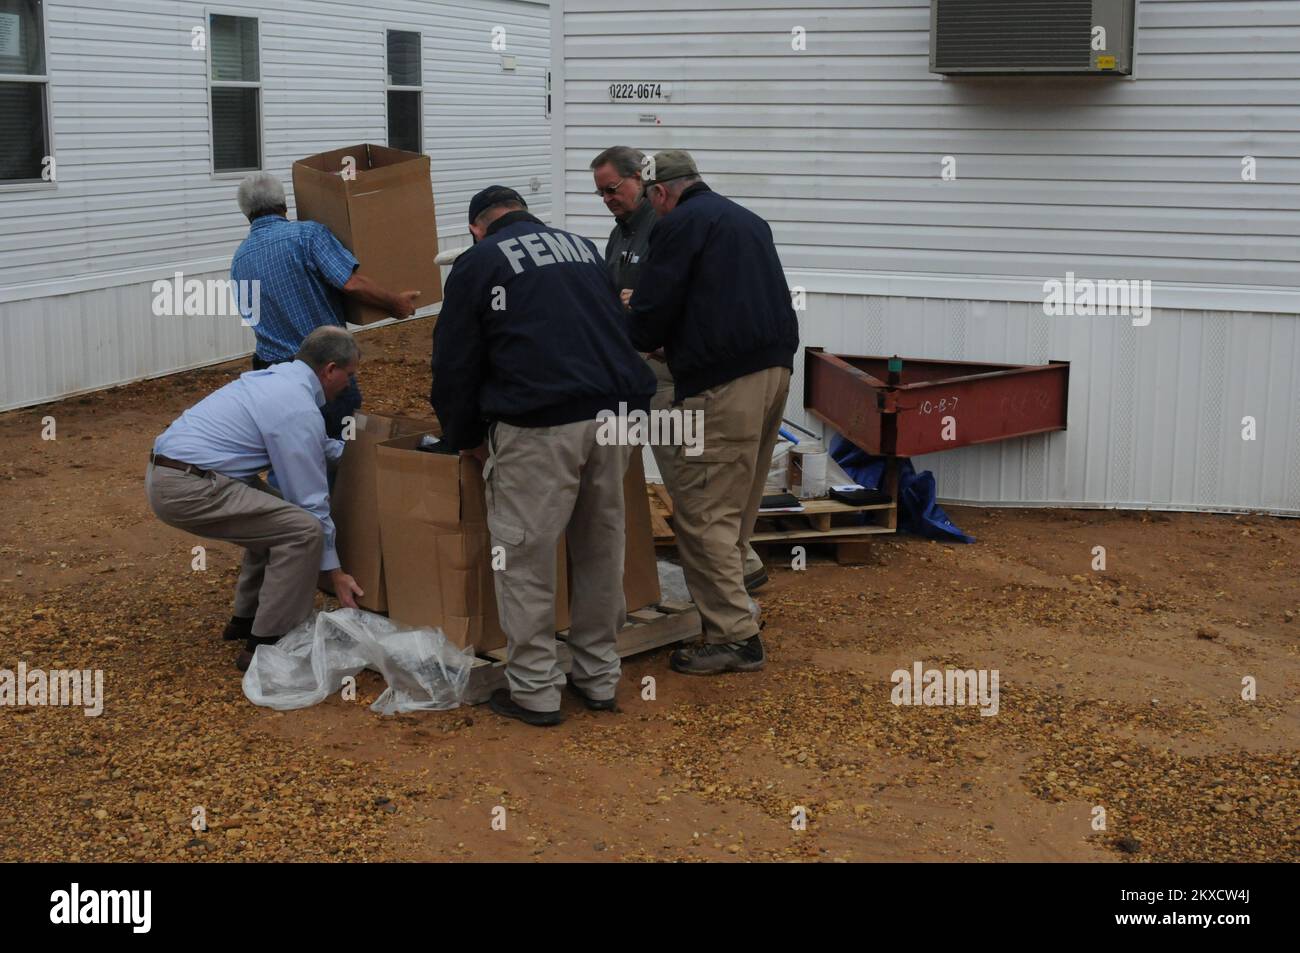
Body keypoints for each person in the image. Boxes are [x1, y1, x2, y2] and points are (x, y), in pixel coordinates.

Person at [431, 186, 657, 726]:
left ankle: (535, 691)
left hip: (539, 424)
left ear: (476, 227)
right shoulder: (582, 247)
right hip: (613, 416)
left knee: (525, 558)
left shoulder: (478, 262)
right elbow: (621, 329)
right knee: (601, 549)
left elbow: (455, 360)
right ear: (526, 214)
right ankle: (599, 678)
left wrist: (461, 433)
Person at [626, 150, 800, 675]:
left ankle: (734, 637)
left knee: (703, 513)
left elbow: (651, 317)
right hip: (774, 373)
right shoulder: (747, 220)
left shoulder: (678, 225)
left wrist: (633, 327)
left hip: (722, 385)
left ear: (661, 193)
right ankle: (736, 596)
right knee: (738, 503)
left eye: (648, 200)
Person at [592, 145, 771, 592]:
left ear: (646, 184)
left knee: (689, 478)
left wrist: (643, 305)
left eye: (613, 189)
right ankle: (727, 565)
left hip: (671, 372)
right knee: (646, 465)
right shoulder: (621, 232)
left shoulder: (668, 222)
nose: (608, 199)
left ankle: (736, 570)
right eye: (600, 193)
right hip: (635, 368)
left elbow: (678, 295)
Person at [146, 326, 365, 672]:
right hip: (189, 486)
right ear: (330, 369)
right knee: (302, 530)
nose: (349, 385)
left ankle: (245, 620)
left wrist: (364, 453)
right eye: (349, 375)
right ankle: (269, 643)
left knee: (279, 520)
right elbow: (310, 499)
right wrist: (334, 572)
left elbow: (317, 445)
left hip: (180, 473)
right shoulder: (296, 407)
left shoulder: (277, 381)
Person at [230, 172, 420, 438]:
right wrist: (395, 303)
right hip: (322, 370)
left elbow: (251, 313)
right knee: (339, 450)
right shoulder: (306, 235)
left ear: (246, 214)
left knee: (286, 450)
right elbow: (350, 283)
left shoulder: (240, 258)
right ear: (284, 205)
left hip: (270, 375)